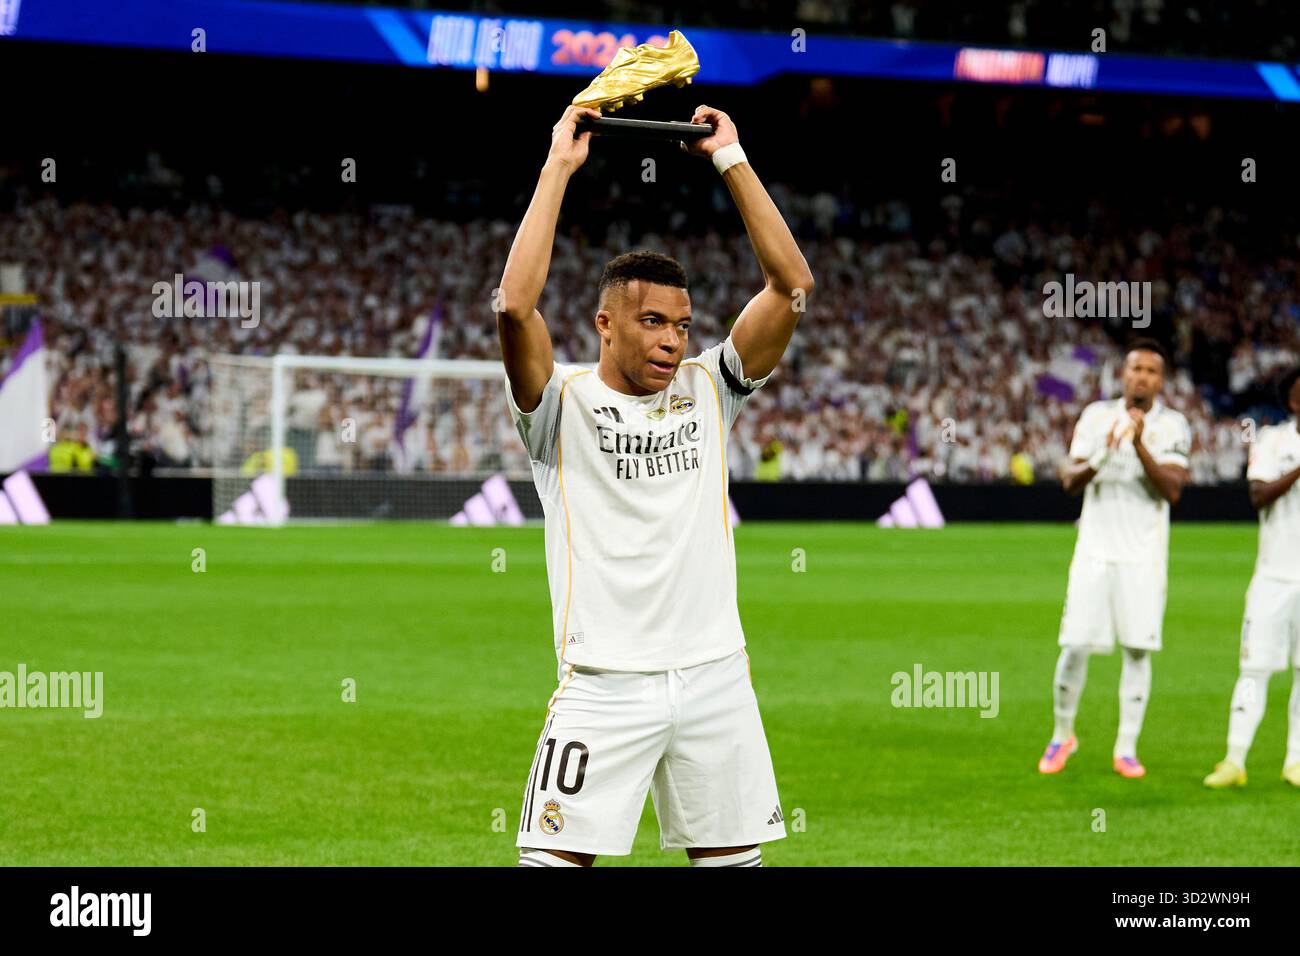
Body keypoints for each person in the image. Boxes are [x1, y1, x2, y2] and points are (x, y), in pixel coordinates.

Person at [499, 104, 813, 867]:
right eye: (650, 322)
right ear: (604, 324)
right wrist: (558, 166)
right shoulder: (560, 404)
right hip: (603, 684)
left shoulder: (711, 389)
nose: (672, 339)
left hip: (715, 676)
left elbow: (792, 285)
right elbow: (513, 305)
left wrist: (731, 158)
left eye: (681, 322)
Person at [1038, 339, 1191, 779]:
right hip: (1095, 552)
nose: (1142, 376)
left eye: (1151, 371)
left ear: (1161, 381)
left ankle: (1126, 747)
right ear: (1123, 374)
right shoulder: (1096, 416)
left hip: (1143, 556)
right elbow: (1069, 481)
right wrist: (1106, 451)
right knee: (1074, 645)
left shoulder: (1173, 426)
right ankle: (1062, 733)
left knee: (1138, 650)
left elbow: (1173, 490)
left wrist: (1140, 446)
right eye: (1135, 368)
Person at [1204, 367, 1300, 789]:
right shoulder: (1272, 440)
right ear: (1293, 400)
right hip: (1274, 576)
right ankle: (1234, 759)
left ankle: (1295, 761)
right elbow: (1258, 495)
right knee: (1253, 669)